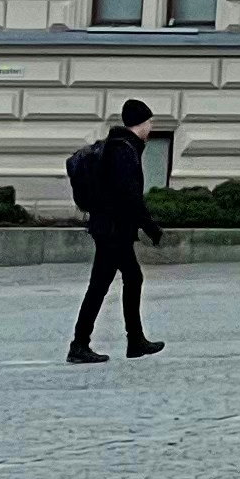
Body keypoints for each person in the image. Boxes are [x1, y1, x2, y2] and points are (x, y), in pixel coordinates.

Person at [65, 99, 165, 363]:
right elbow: (128, 195)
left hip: (108, 227)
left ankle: (84, 343)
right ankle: (132, 340)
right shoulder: (123, 151)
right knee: (131, 278)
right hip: (113, 230)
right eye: (150, 122)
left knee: (101, 285)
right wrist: (150, 225)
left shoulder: (120, 147)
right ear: (141, 123)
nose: (151, 127)